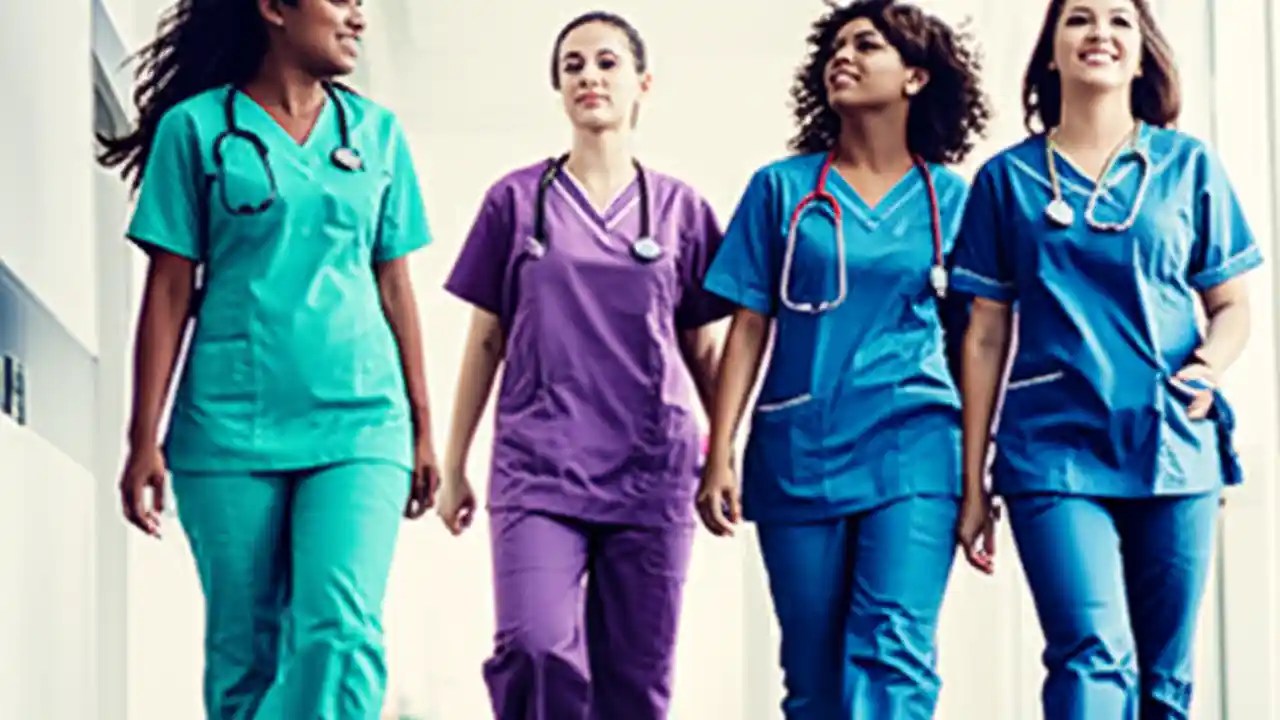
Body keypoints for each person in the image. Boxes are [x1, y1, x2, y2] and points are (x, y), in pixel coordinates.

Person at [97, 1, 439, 717]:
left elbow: (395, 285)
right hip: (229, 425)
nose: (358, 18)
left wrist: (423, 425)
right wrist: (140, 439)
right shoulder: (195, 130)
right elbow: (167, 291)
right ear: (276, 8)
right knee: (243, 650)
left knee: (341, 630)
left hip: (360, 422)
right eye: (341, 0)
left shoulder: (377, 134)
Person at [950, 0, 1262, 717]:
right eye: (1079, 19)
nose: (1100, 33)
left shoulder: (1188, 166)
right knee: (1091, 653)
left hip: (1171, 441)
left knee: (1163, 681)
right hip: (1051, 449)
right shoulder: (1008, 181)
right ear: (1050, 53)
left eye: (1120, 20)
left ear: (1143, 51)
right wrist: (973, 482)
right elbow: (985, 335)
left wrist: (1209, 367)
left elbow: (1233, 306)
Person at [696, 1, 991, 717]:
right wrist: (719, 449)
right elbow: (748, 323)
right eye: (834, 46)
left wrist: (979, 473)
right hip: (801, 449)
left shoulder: (952, 201)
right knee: (813, 672)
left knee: (892, 648)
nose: (842, 56)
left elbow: (976, 344)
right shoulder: (781, 189)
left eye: (867, 44)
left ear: (916, 77)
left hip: (915, 445)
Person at [434, 11, 730, 720]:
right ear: (558, 88)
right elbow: (484, 341)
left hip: (651, 469)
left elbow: (703, 349)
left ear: (642, 84)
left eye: (606, 63)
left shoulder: (681, 211)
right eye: (573, 66)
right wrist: (453, 464)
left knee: (636, 681)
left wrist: (725, 457)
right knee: (536, 647)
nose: (589, 76)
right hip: (539, 467)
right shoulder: (514, 201)